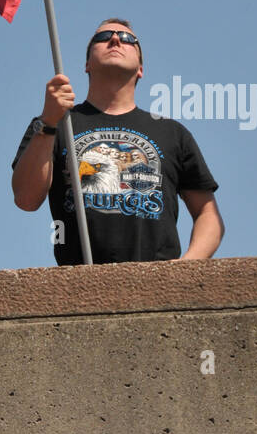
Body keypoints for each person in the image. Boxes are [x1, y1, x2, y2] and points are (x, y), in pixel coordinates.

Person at [12, 19, 223, 264]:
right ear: (87, 64)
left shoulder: (173, 133)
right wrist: (48, 121)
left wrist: (186, 266)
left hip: (157, 287)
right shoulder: (55, 125)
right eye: (103, 38)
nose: (115, 40)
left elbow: (208, 213)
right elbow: (26, 199)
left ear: (141, 68)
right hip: (78, 285)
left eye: (127, 39)